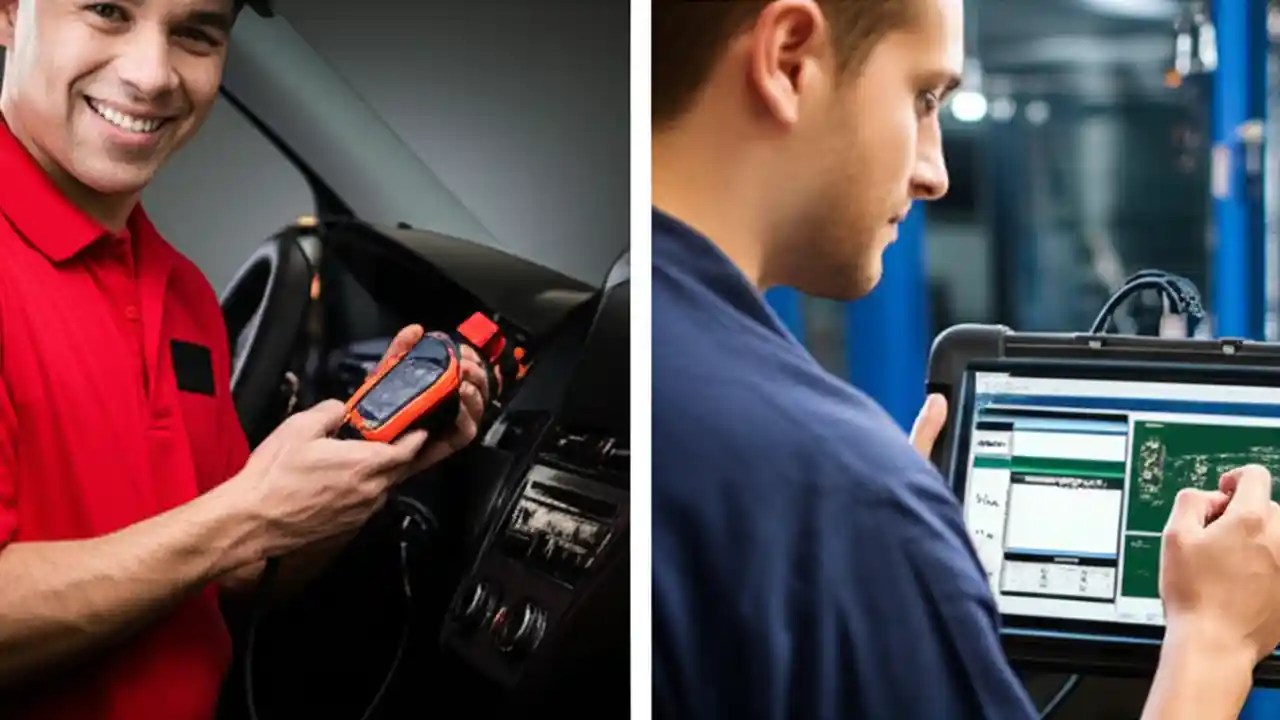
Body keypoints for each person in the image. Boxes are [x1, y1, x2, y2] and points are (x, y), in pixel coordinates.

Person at [651, 0, 1280, 718]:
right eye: (923, 97)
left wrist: (890, 566)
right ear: (790, 57)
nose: (936, 172)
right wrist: (1214, 645)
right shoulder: (831, 494)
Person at [0, 0, 492, 718]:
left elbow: (233, 571)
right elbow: (231, 533)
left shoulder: (185, 291)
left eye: (195, 34)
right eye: (107, 11)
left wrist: (366, 470)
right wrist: (242, 516)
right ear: (10, 13)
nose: (151, 73)